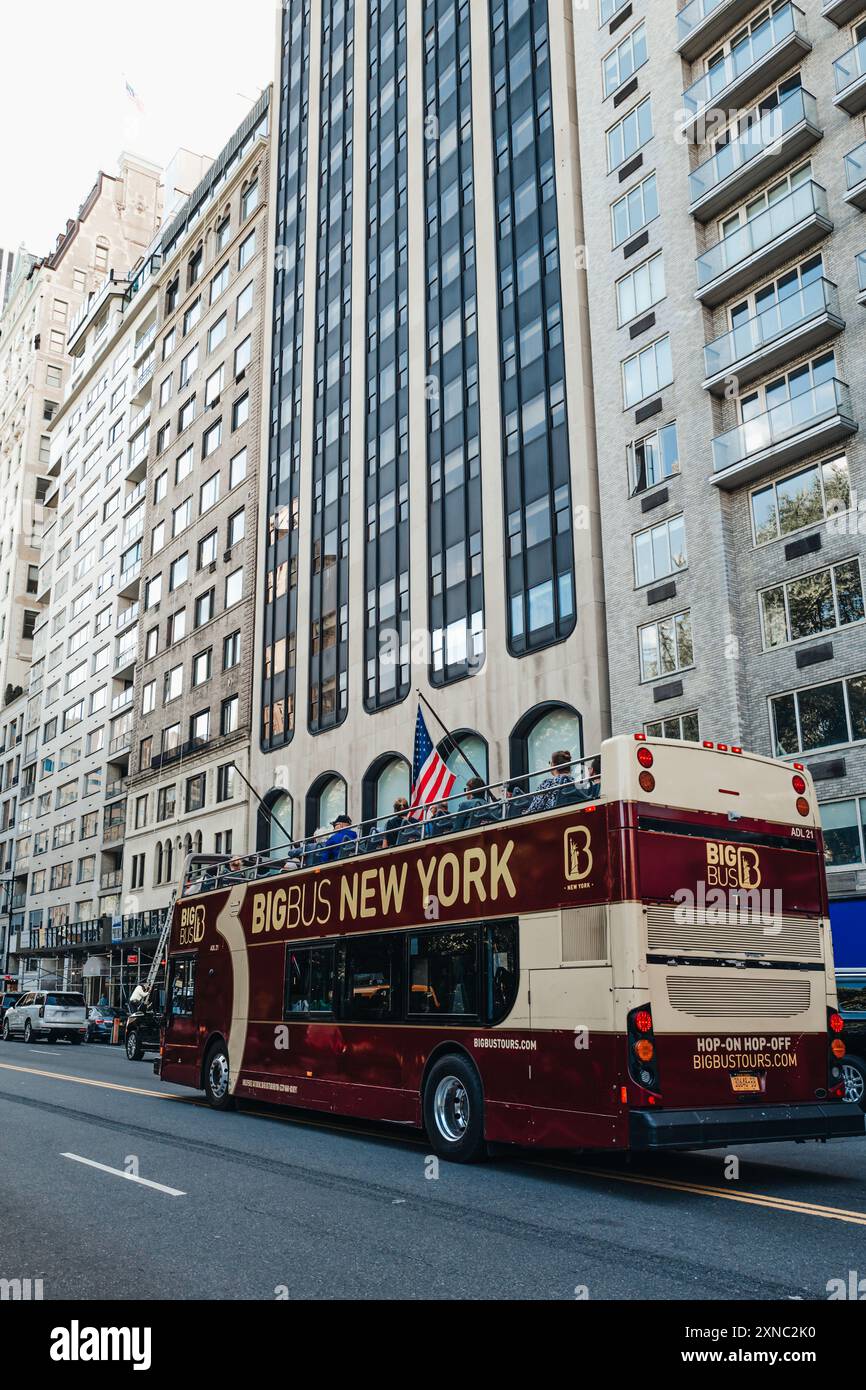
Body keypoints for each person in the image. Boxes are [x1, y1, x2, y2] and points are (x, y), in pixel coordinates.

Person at [528, 750, 575, 815]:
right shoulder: (576, 783)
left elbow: (534, 809)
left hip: (551, 818)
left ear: (553, 765)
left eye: (550, 763)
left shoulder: (548, 784)